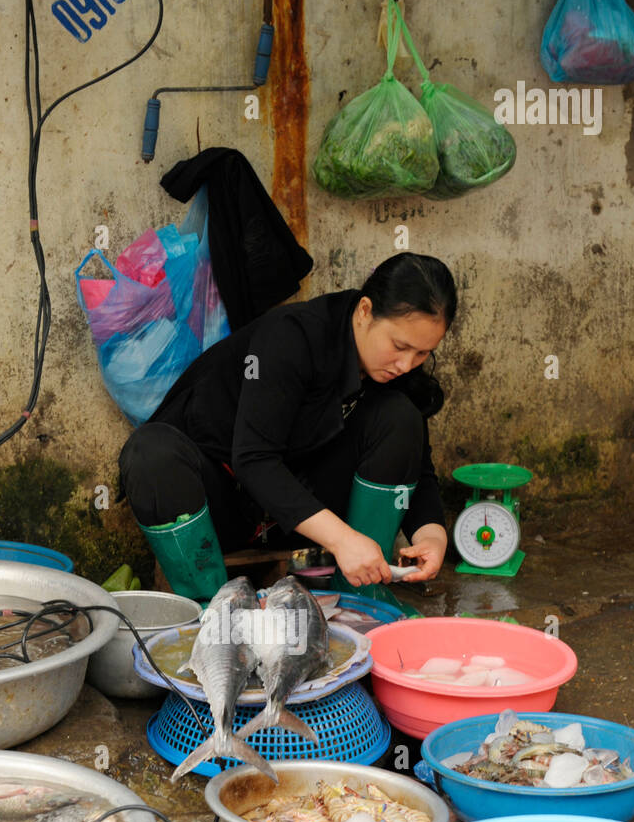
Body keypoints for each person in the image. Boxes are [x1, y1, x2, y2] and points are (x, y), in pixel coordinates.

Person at [119, 251, 456, 603]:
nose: (406, 364)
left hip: (302, 517)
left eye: (421, 354)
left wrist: (432, 537)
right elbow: (254, 460)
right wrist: (343, 539)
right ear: (365, 311)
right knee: (150, 452)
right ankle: (213, 613)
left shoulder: (392, 369)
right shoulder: (291, 336)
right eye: (400, 346)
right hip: (221, 509)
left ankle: (361, 597)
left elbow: (417, 466)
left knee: (401, 416)